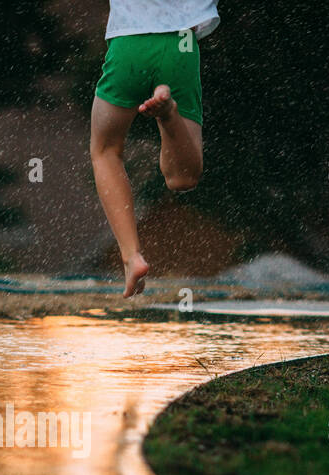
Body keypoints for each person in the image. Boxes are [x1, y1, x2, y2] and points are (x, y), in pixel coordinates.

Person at [90, 1, 220, 297]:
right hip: (181, 45)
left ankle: (131, 256)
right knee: (182, 178)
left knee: (105, 150)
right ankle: (168, 115)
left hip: (128, 44)